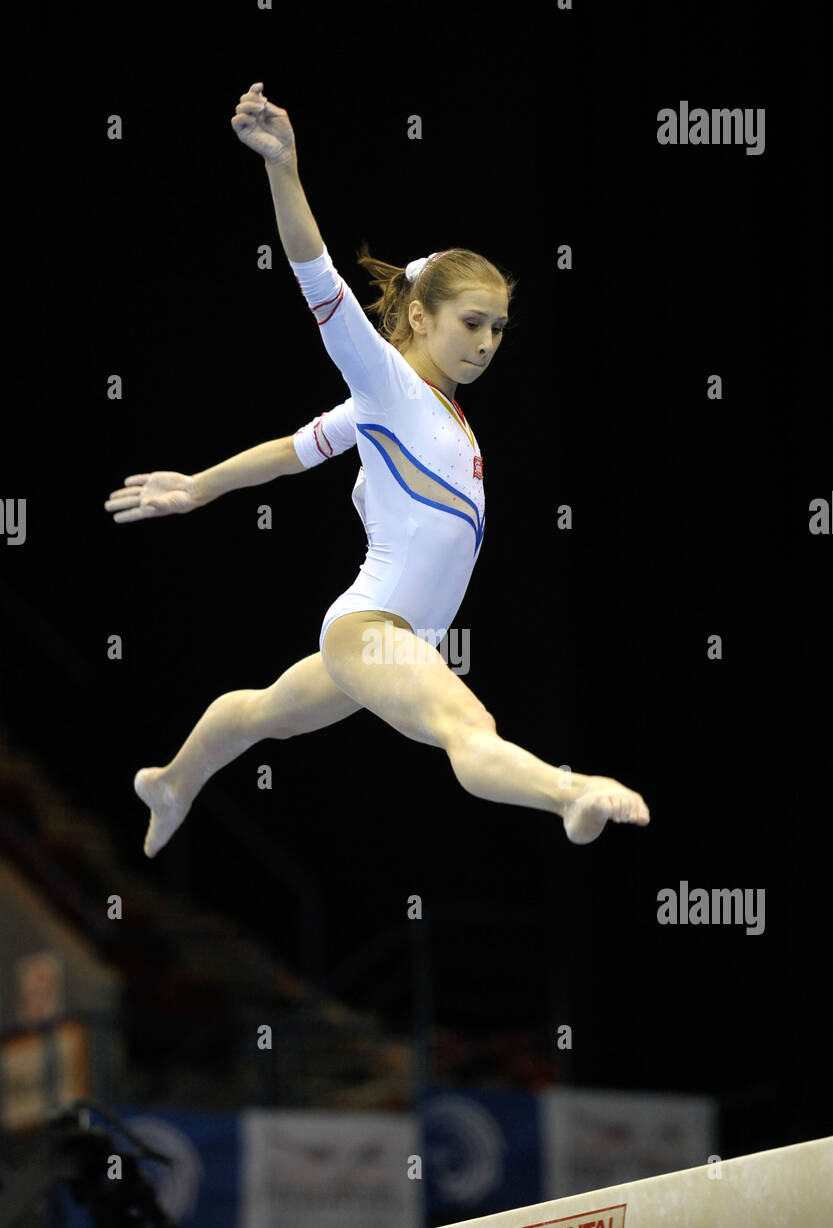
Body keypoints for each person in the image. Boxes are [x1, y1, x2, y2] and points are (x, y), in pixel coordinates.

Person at [105, 81, 649, 858]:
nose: (488, 342)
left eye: (498, 327)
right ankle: (569, 794)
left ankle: (168, 779)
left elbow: (288, 452)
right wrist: (283, 168)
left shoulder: (410, 410)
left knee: (264, 711)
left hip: (390, 637)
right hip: (375, 630)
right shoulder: (385, 382)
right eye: (471, 323)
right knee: (469, 727)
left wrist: (201, 485)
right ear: (419, 317)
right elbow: (316, 277)